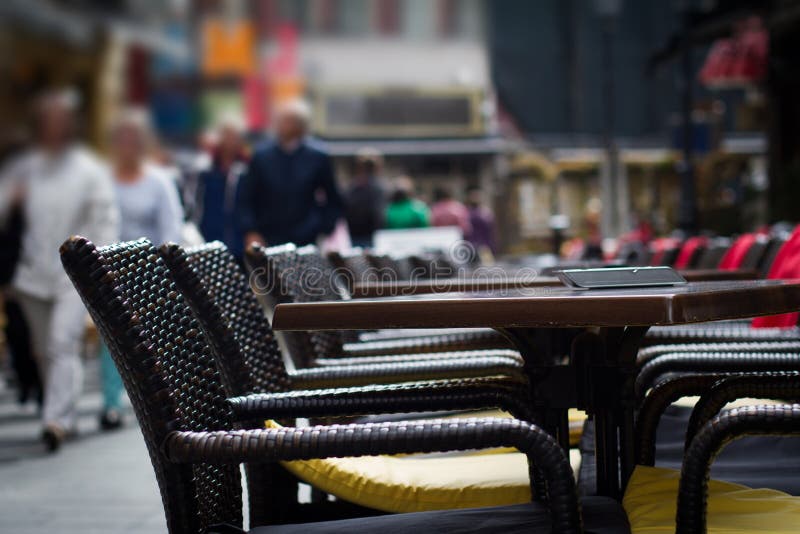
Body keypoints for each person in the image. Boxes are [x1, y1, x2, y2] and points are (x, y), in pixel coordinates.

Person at [0, 89, 119, 451]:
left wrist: (98, 261)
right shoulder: (25, 167)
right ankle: (58, 409)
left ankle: (57, 420)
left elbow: (105, 220)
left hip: (72, 274)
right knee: (43, 349)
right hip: (30, 274)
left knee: (61, 342)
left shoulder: (88, 169)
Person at [97, 108, 183, 430]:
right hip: (104, 271)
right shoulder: (101, 179)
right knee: (110, 338)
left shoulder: (159, 181)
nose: (128, 144)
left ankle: (162, 401)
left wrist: (160, 269)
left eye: (134, 138)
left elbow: (170, 229)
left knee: (155, 339)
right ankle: (111, 404)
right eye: (122, 138)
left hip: (149, 271)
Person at [238, 99, 343, 248]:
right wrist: (250, 230)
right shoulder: (261, 156)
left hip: (306, 237)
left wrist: (324, 228)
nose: (288, 126)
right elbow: (246, 198)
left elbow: (333, 198)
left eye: (294, 122)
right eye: (284, 121)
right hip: (268, 236)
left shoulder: (317, 157)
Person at [195, 114, 248, 259]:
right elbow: (197, 202)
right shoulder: (206, 168)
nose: (230, 141)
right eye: (227, 135)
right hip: (209, 238)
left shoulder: (247, 169)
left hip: (239, 241)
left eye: (234, 136)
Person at [344, 148, 385, 248]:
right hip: (371, 236)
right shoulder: (378, 187)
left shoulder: (353, 186)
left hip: (356, 234)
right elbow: (379, 215)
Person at [465, 185, 497, 255]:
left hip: (485, 246)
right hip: (471, 246)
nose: (475, 198)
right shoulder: (466, 212)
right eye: (473, 196)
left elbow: (491, 230)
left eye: (477, 196)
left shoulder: (486, 213)